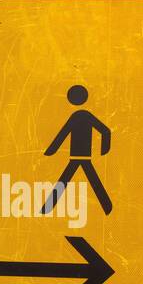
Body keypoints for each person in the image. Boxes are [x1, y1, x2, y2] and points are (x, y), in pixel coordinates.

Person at [41, 84, 112, 215]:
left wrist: (51, 150)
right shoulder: (85, 116)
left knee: (65, 180)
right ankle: (107, 207)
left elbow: (63, 134)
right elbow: (105, 131)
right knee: (85, 180)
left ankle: (47, 208)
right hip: (83, 156)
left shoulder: (78, 116)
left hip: (78, 156)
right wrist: (104, 150)